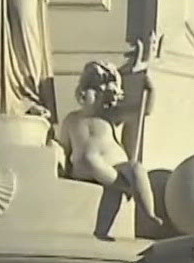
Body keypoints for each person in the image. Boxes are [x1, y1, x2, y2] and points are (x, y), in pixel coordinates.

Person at [56, 59, 158, 224]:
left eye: (98, 92)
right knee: (90, 157)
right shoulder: (72, 119)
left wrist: (150, 88)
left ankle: (149, 212)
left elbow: (144, 110)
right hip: (83, 167)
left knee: (137, 168)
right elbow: (64, 147)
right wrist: (63, 167)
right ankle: (125, 187)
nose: (92, 96)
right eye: (90, 91)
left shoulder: (110, 116)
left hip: (114, 165)